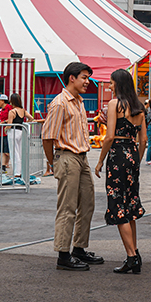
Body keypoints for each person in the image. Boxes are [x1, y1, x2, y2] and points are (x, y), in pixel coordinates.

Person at [42, 62, 105, 272]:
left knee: (87, 204)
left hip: (82, 156)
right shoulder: (60, 103)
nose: (88, 82)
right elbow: (47, 137)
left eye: (88, 78)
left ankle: (79, 248)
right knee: (67, 208)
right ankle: (63, 254)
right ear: (72, 78)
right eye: (84, 77)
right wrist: (54, 162)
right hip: (67, 157)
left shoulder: (78, 101)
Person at [94, 69, 147, 274]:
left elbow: (109, 137)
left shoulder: (115, 104)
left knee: (118, 205)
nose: (110, 85)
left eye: (111, 82)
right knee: (130, 205)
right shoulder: (138, 107)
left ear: (119, 84)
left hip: (117, 154)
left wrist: (100, 161)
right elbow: (143, 140)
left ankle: (132, 257)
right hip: (132, 154)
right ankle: (134, 253)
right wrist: (136, 160)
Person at [4, 93, 33, 179]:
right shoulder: (23, 110)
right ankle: (21, 171)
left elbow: (9, 124)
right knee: (20, 152)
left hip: (13, 132)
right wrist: (25, 124)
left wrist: (5, 129)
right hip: (21, 131)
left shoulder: (12, 111)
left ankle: (17, 173)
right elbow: (31, 118)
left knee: (14, 153)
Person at [0, 94, 11, 172]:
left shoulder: (9, 108)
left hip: (8, 132)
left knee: (7, 151)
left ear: (3, 101)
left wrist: (3, 123)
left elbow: (11, 118)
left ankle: (8, 164)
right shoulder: (1, 109)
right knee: (2, 150)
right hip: (2, 132)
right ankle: (3, 166)